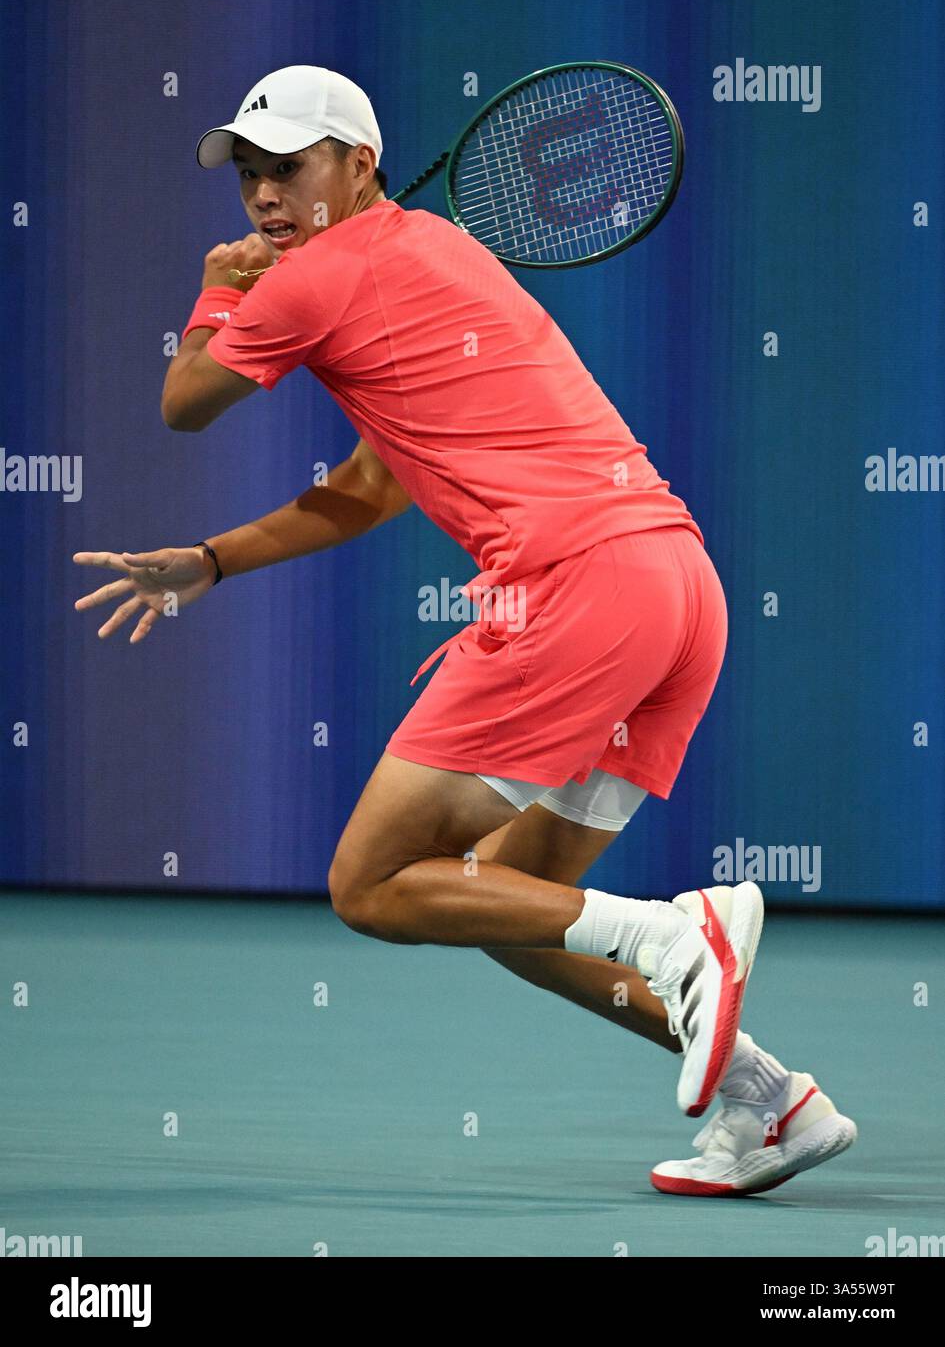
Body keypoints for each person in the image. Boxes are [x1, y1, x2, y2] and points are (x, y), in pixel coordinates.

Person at [73, 65, 856, 1194]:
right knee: (509, 908)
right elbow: (368, 488)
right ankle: (769, 1097)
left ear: (359, 165)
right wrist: (209, 563)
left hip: (575, 592)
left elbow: (183, 399)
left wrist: (213, 291)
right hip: (678, 591)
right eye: (248, 175)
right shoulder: (440, 256)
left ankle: (681, 934)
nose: (263, 197)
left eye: (289, 168)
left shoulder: (318, 276)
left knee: (373, 882)